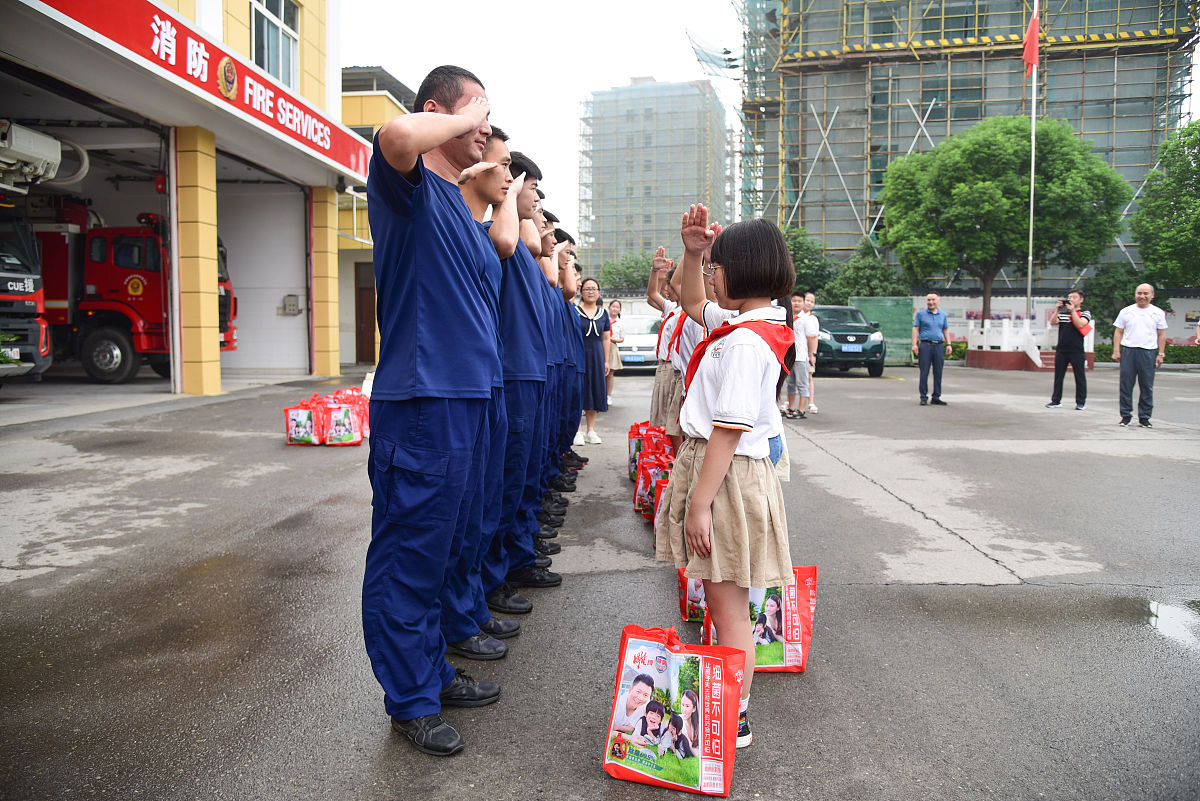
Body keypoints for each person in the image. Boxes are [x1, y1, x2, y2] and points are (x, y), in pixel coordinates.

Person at [363, 65, 500, 757]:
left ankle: (432, 671)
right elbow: (394, 133)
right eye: (475, 109)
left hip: (466, 399)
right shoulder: (407, 183)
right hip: (424, 398)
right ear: (437, 111)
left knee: (444, 549)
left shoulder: (454, 200)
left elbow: (505, 249)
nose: (485, 125)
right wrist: (462, 118)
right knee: (411, 554)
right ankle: (410, 699)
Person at [657, 204, 797, 749]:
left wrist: (698, 505)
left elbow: (728, 431)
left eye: (716, 266)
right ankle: (728, 703)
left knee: (729, 607)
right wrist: (691, 253)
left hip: (726, 478)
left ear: (746, 271)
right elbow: (691, 303)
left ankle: (732, 715)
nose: (709, 276)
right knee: (725, 602)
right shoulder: (746, 324)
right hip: (727, 474)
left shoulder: (744, 341)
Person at [1113, 283, 1168, 427]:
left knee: (1146, 386)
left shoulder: (1158, 312)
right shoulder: (1126, 311)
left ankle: (1144, 417)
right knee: (1126, 385)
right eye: (1139, 293)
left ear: (1152, 295)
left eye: (1145, 293)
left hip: (1148, 352)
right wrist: (1116, 350)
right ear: (1135, 294)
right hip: (1128, 351)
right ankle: (1125, 416)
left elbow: (1161, 334)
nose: (1142, 296)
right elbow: (1119, 331)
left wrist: (1160, 354)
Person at [574, 277, 610, 444]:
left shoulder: (604, 314)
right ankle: (578, 431)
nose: (590, 292)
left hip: (597, 357)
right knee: (579, 392)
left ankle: (591, 430)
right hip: (578, 355)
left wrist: (606, 360)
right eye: (587, 289)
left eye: (593, 289)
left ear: (599, 293)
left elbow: (605, 338)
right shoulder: (574, 311)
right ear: (581, 292)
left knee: (595, 392)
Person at [1046, 290, 1093, 410]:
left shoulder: (1084, 313)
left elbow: (1080, 324)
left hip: (1076, 350)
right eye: (1069, 297)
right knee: (1058, 376)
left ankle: (1080, 402)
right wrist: (1057, 310)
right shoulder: (1063, 313)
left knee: (1079, 376)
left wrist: (1073, 311)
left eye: (1074, 297)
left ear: (1081, 300)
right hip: (1062, 349)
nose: (1071, 299)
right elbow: (1052, 322)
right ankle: (1056, 400)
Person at [912, 292, 951, 406]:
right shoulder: (921, 314)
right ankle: (923, 397)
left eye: (933, 300)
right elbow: (915, 329)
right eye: (929, 300)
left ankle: (936, 397)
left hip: (939, 346)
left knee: (938, 372)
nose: (931, 302)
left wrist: (948, 344)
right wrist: (914, 344)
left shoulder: (942, 315)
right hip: (925, 346)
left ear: (938, 301)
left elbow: (945, 330)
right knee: (924, 372)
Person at [802, 292, 820, 414]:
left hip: (807, 354)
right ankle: (789, 402)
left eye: (812, 301)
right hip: (795, 354)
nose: (809, 303)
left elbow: (814, 338)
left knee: (809, 377)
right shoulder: (794, 316)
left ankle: (811, 402)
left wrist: (813, 354)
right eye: (807, 300)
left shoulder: (813, 319)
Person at [607, 299, 624, 402]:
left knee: (610, 373)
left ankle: (608, 396)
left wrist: (613, 339)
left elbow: (622, 338)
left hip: (612, 347)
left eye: (617, 307)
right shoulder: (604, 319)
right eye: (613, 306)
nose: (615, 309)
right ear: (609, 307)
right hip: (602, 347)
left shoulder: (620, 323)